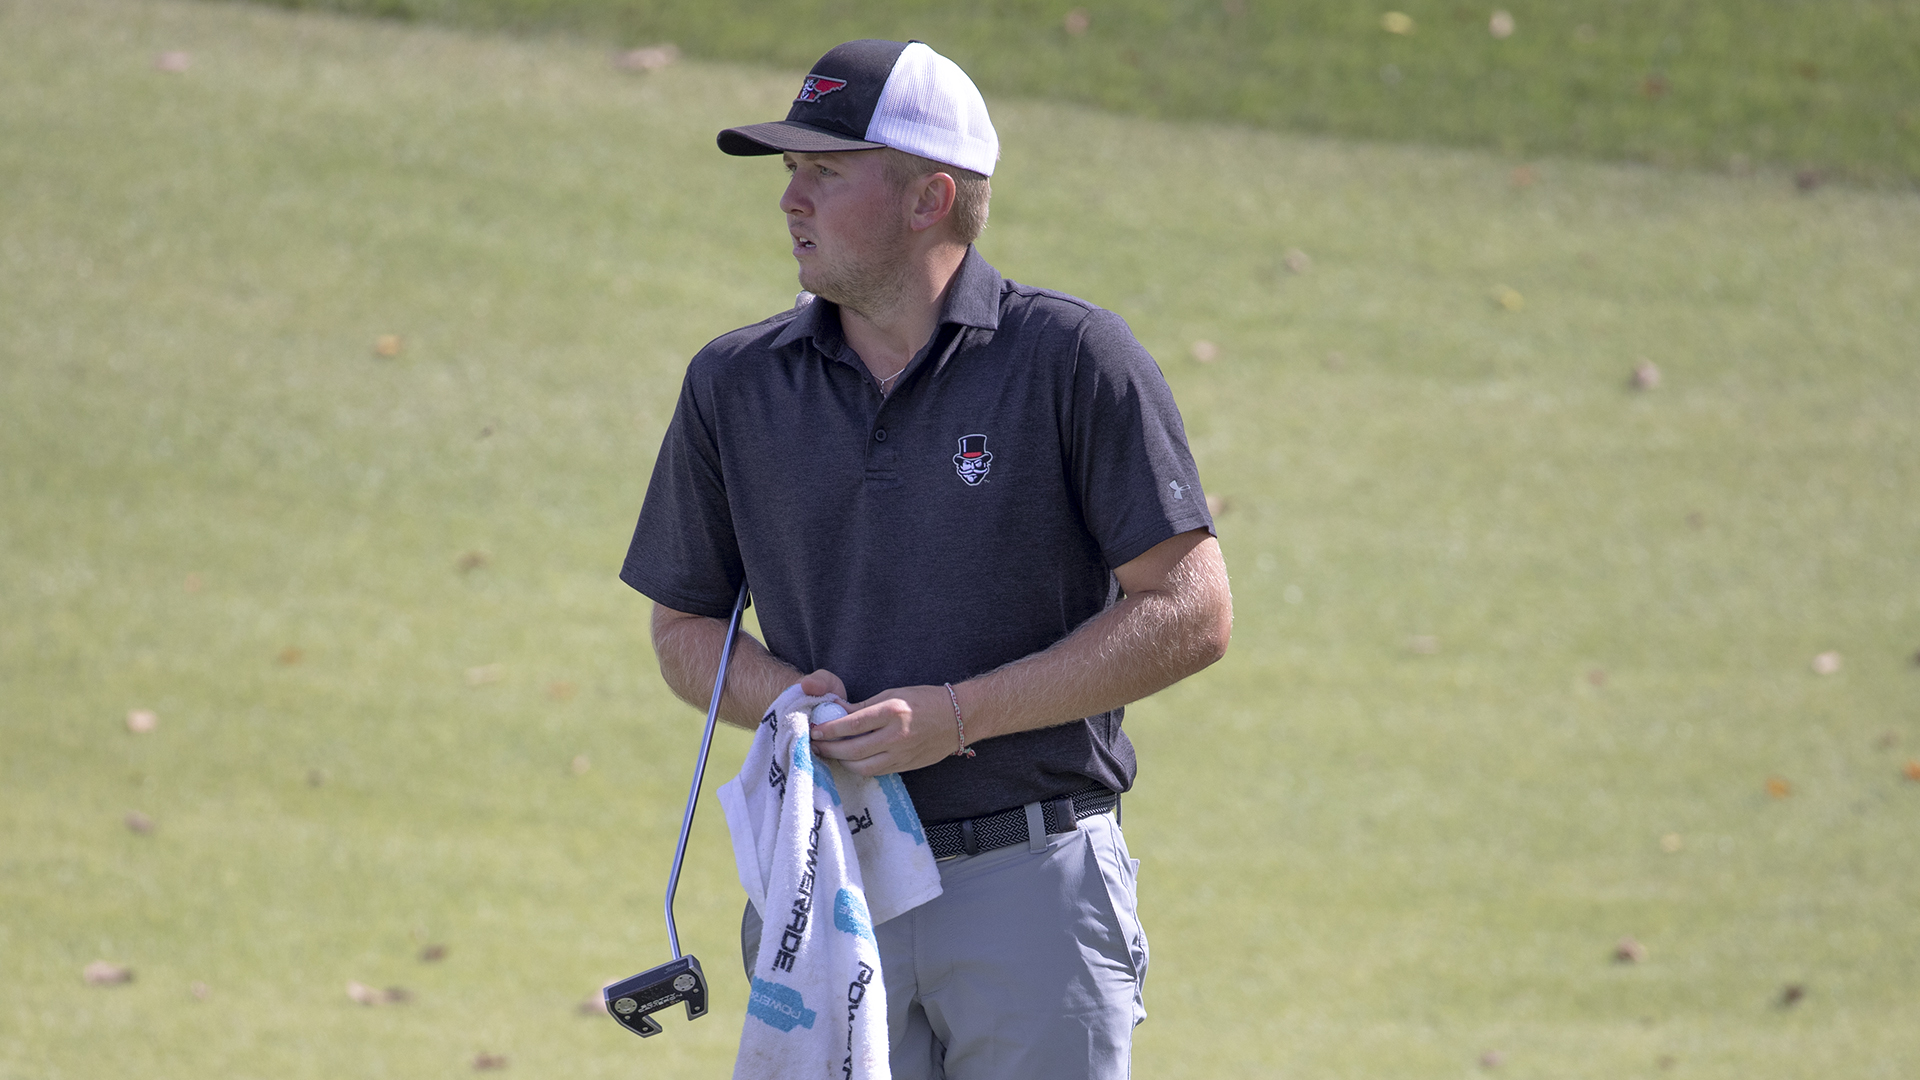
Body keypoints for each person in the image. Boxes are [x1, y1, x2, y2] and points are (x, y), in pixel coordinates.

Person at [620, 38, 1232, 1080]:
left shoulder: (1075, 362)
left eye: (824, 171)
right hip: (825, 883)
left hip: (1031, 888)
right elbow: (683, 631)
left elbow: (1190, 609)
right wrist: (789, 699)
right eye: (788, 174)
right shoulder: (734, 383)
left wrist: (958, 717)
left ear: (928, 198)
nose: (790, 201)